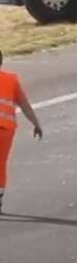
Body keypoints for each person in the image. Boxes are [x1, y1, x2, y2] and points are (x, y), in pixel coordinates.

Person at [0, 50, 43, 214]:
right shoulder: (11, 80)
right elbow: (24, 104)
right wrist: (36, 123)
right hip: (6, 128)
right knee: (1, 164)